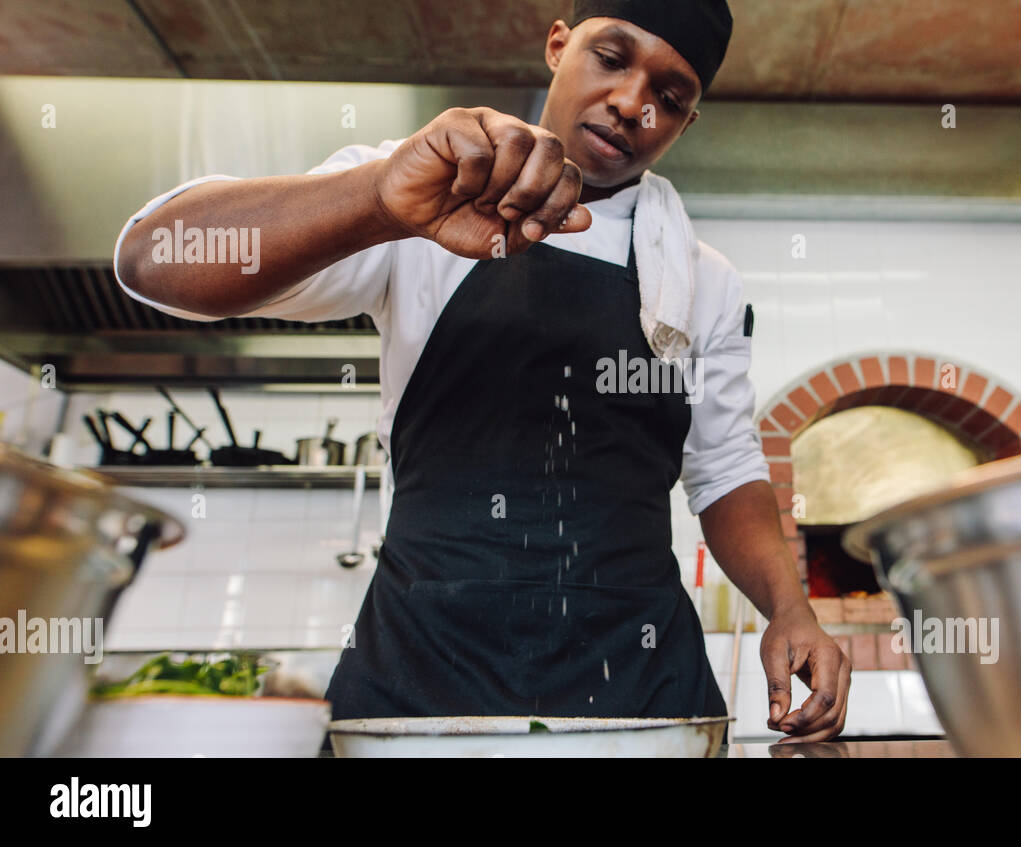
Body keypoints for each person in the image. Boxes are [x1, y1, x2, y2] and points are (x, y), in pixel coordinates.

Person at [115, 0, 850, 742]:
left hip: (639, 688)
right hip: (420, 674)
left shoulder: (703, 280)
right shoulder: (422, 196)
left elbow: (724, 468)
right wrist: (376, 201)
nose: (633, 104)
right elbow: (154, 259)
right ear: (558, 46)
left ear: (686, 123)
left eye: (669, 97)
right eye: (611, 57)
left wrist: (790, 607)